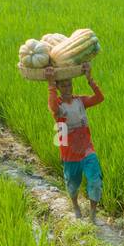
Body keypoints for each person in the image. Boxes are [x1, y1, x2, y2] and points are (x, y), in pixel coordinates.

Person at [48, 65, 104, 221]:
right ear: (58, 87)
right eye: (63, 85)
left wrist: (89, 79)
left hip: (87, 151)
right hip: (70, 154)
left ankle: (93, 214)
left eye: (69, 84)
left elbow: (99, 98)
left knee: (95, 181)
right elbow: (52, 106)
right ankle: (75, 205)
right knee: (72, 185)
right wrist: (50, 84)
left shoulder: (80, 101)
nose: (67, 88)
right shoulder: (58, 106)